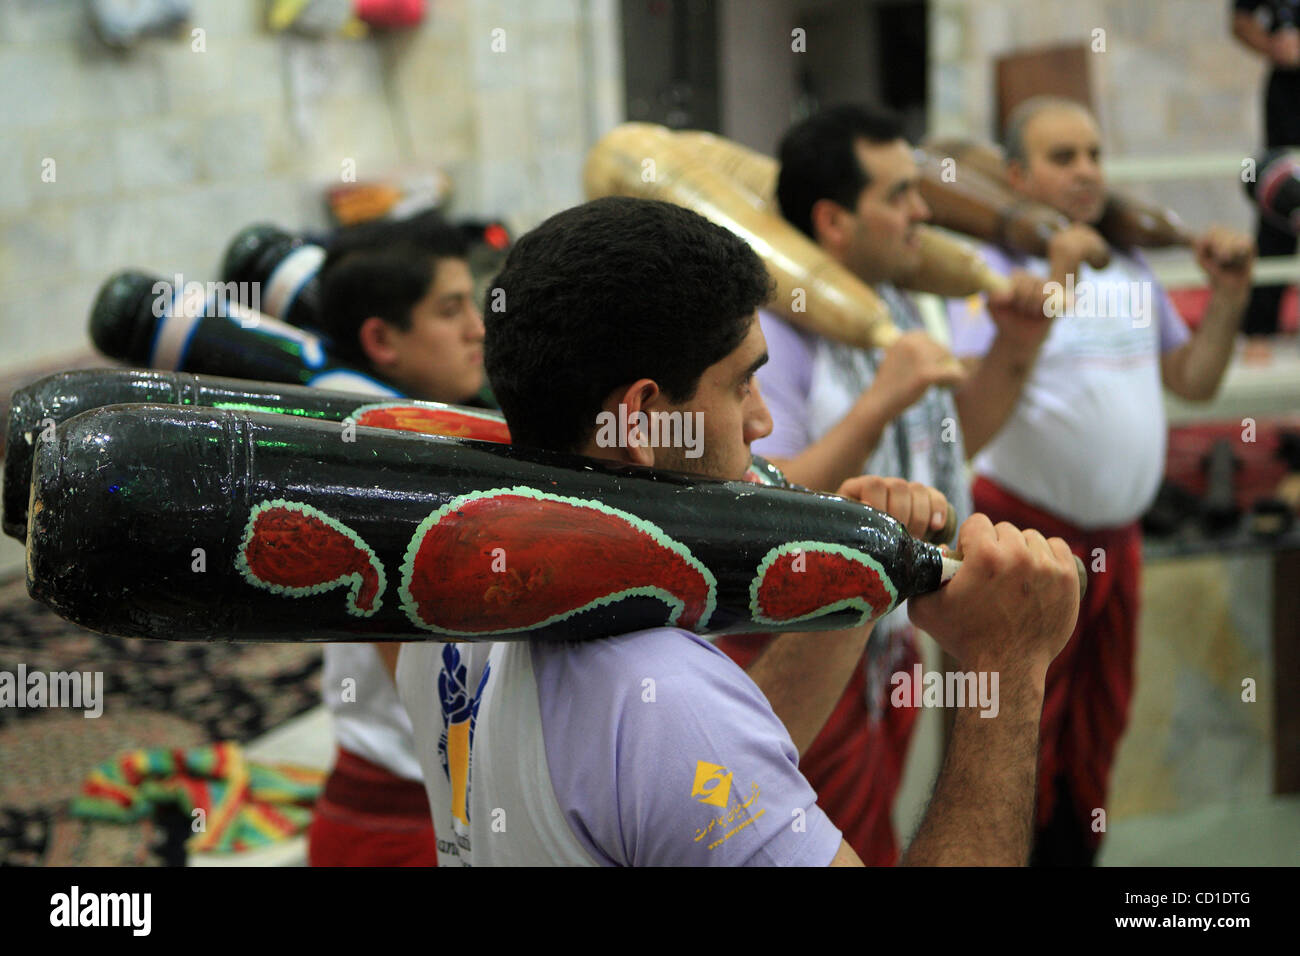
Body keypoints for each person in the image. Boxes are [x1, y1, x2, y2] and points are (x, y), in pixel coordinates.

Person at [386, 195, 1081, 866]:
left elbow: (687, 788)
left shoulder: (447, 600)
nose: (762, 422)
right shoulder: (661, 694)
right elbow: (683, 751)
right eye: (743, 385)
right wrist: (1006, 669)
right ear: (642, 419)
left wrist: (857, 584)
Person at [713, 104, 1049, 865]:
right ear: (833, 221)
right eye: (898, 195)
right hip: (799, 646)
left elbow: (948, 439)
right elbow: (758, 501)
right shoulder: (782, 328)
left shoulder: (900, 299)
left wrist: (1017, 349)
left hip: (885, 637)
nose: (922, 212)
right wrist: (877, 403)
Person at [947, 96, 1254, 865]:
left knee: (1098, 730)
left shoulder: (1131, 266)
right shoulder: (995, 273)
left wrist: (1228, 300)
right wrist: (1052, 282)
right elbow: (971, 418)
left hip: (1119, 543)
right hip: (1024, 538)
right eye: (1062, 157)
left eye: (1093, 154)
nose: (1086, 171)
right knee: (1015, 738)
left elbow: (1194, 381)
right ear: (1017, 175)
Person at [306, 212, 486, 866]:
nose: (478, 330)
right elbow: (440, 700)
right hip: (403, 825)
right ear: (381, 338)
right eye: (450, 310)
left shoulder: (436, 438)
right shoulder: (382, 471)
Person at [1233, 0, 1300, 340]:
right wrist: (1274, 46)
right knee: (1279, 199)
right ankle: (1260, 328)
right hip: (1288, 100)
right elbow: (1240, 20)